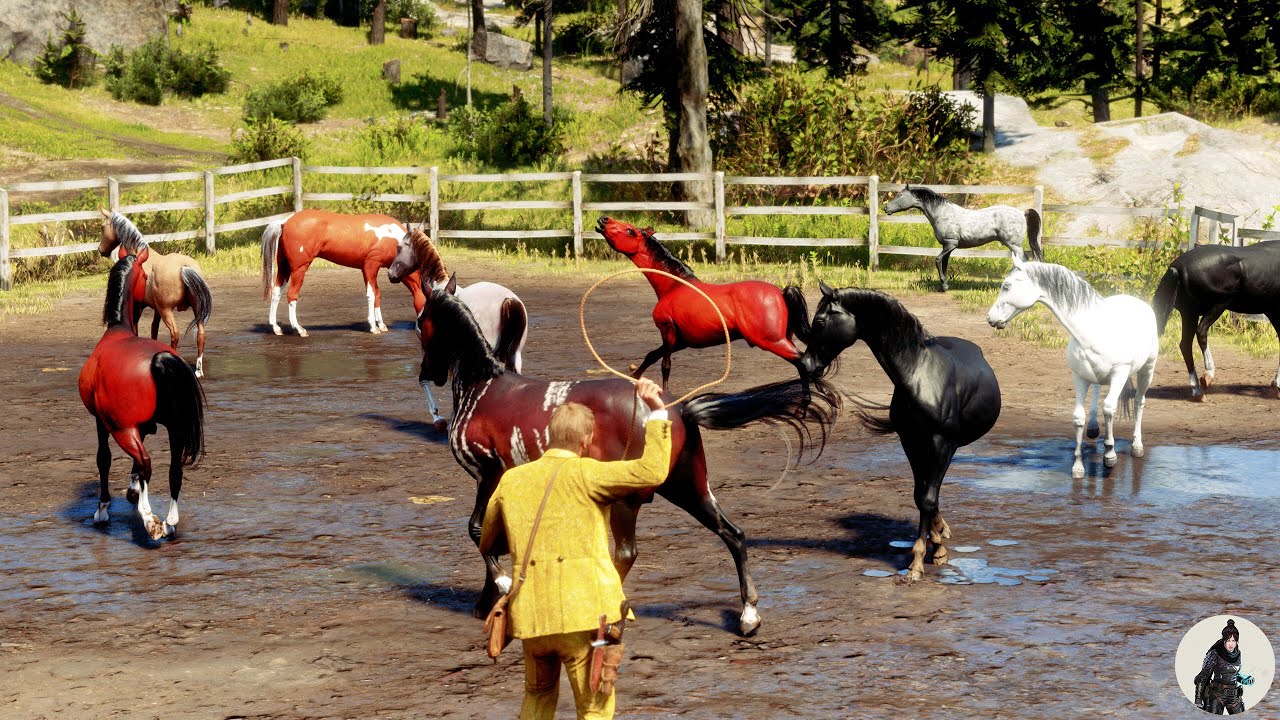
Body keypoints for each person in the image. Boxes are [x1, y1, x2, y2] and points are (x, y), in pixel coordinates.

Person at [479, 377, 672, 720]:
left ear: (551, 437)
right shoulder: (588, 474)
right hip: (586, 617)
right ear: (586, 441)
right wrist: (657, 412)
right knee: (594, 707)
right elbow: (652, 471)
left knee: (537, 698)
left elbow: (489, 542)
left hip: (532, 618)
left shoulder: (512, 480)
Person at [1194, 619, 1251, 714]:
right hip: (1217, 695)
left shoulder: (1238, 654)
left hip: (1234, 696)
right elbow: (1203, 675)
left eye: (1233, 640)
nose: (1231, 644)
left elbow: (1234, 674)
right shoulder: (1215, 653)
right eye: (1228, 640)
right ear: (1224, 640)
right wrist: (1198, 697)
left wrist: (1244, 680)